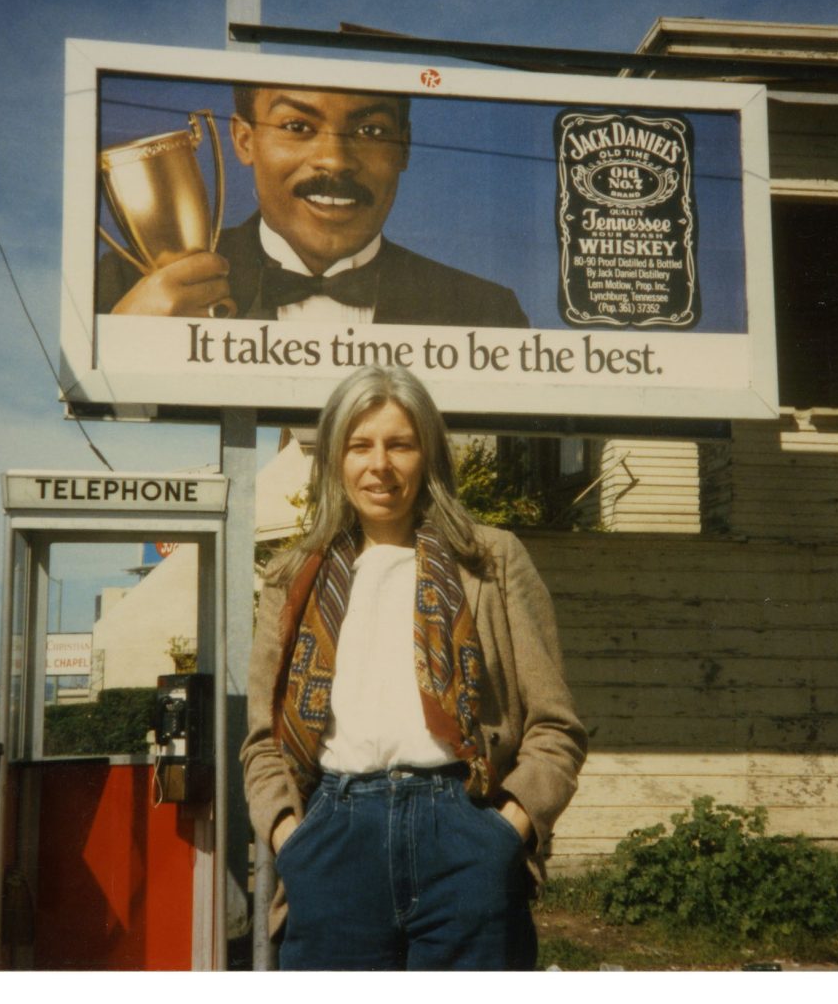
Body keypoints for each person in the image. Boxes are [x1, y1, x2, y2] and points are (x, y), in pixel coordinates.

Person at [240, 365, 586, 970]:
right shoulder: (291, 579)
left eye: (400, 444)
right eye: (360, 445)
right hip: (333, 841)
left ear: (427, 455)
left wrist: (506, 834)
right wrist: (291, 841)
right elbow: (263, 744)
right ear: (333, 461)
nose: (380, 465)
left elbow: (555, 728)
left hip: (463, 833)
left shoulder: (491, 562)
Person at [97, 85, 530, 327]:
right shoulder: (126, 289)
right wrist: (125, 341)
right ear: (244, 140)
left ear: (405, 148)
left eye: (371, 131)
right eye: (297, 126)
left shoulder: (486, 312)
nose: (336, 161)